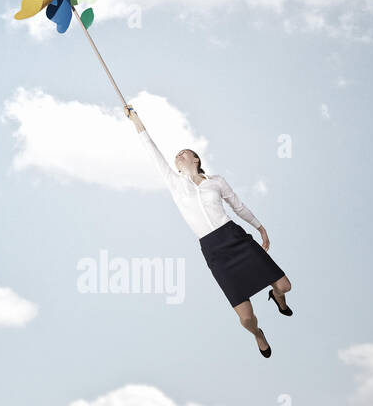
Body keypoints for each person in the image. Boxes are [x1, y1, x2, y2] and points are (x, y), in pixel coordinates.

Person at [125, 103, 293, 357]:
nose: (179, 156)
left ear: (196, 159)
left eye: (184, 153)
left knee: (285, 286)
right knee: (247, 319)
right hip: (215, 251)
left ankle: (277, 298)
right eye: (176, 156)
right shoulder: (175, 184)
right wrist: (135, 118)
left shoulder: (216, 182)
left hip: (236, 238)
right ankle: (259, 335)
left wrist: (261, 228)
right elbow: (151, 149)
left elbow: (238, 206)